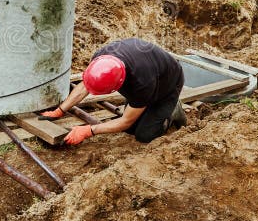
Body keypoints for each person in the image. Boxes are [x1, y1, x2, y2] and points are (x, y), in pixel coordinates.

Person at [40, 38, 187, 145]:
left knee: (144, 135)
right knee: (130, 130)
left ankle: (173, 109)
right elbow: (85, 85)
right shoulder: (101, 58)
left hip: (167, 85)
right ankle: (146, 109)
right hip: (147, 75)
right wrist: (60, 110)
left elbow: (125, 121)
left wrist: (88, 131)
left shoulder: (142, 82)